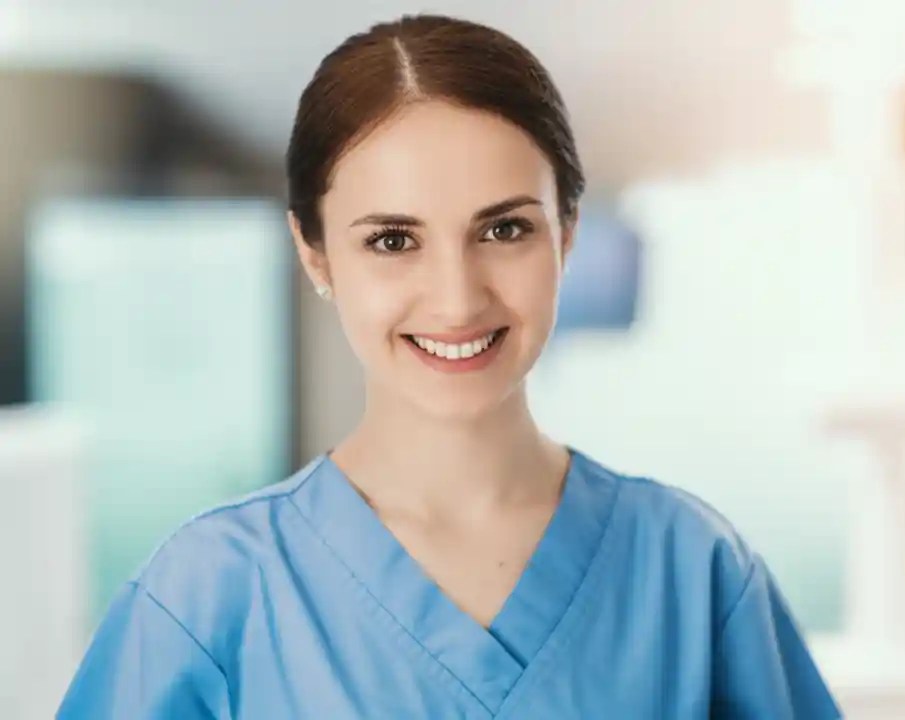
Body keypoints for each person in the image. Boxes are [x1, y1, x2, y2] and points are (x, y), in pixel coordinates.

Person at [57, 14, 841, 719]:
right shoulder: (212, 592)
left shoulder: (690, 572)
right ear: (316, 254)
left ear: (566, 233)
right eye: (393, 241)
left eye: (503, 231)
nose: (458, 299)